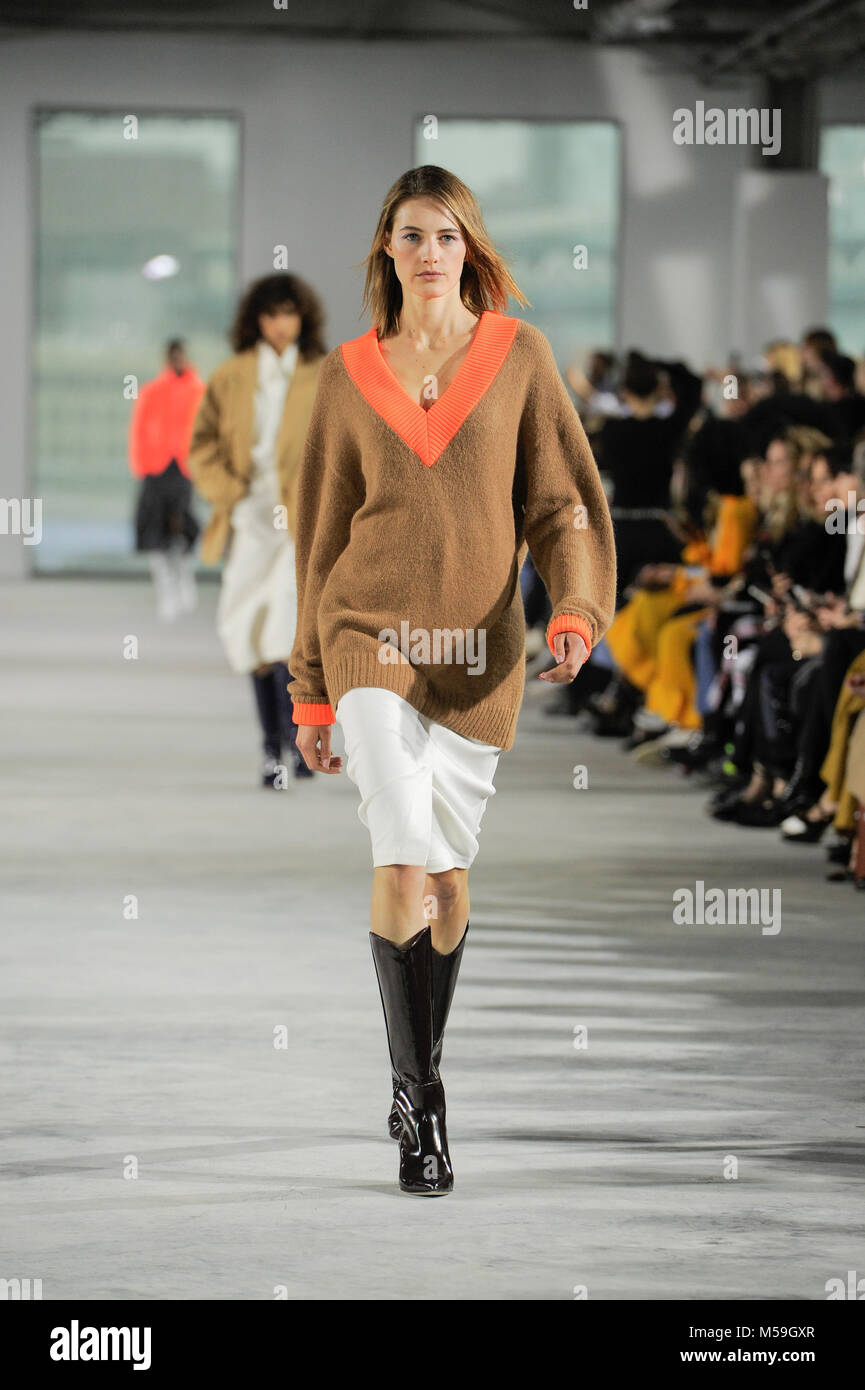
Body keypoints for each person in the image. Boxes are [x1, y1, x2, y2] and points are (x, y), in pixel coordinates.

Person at [287, 165, 617, 1196]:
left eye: (447, 235)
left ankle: (418, 1076)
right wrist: (310, 684)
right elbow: (318, 535)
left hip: (479, 654)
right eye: (411, 234)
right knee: (401, 855)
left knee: (447, 876)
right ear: (385, 249)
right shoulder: (344, 377)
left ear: (469, 248)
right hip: (368, 635)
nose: (430, 252)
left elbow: (562, 502)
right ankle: (419, 1099)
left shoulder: (520, 357)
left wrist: (573, 606)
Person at [187, 275, 327, 786]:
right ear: (255, 320)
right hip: (248, 515)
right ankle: (272, 747)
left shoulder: (324, 372)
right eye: (270, 314)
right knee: (244, 625)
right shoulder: (233, 375)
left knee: (286, 630)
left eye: (289, 313)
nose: (280, 324)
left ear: (303, 317)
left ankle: (293, 742)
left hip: (300, 519)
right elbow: (201, 443)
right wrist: (230, 492)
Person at [128, 339, 205, 621]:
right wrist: (140, 464)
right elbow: (138, 429)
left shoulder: (199, 391)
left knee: (182, 526)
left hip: (184, 468)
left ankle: (183, 579)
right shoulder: (152, 392)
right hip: (156, 468)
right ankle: (166, 590)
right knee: (154, 530)